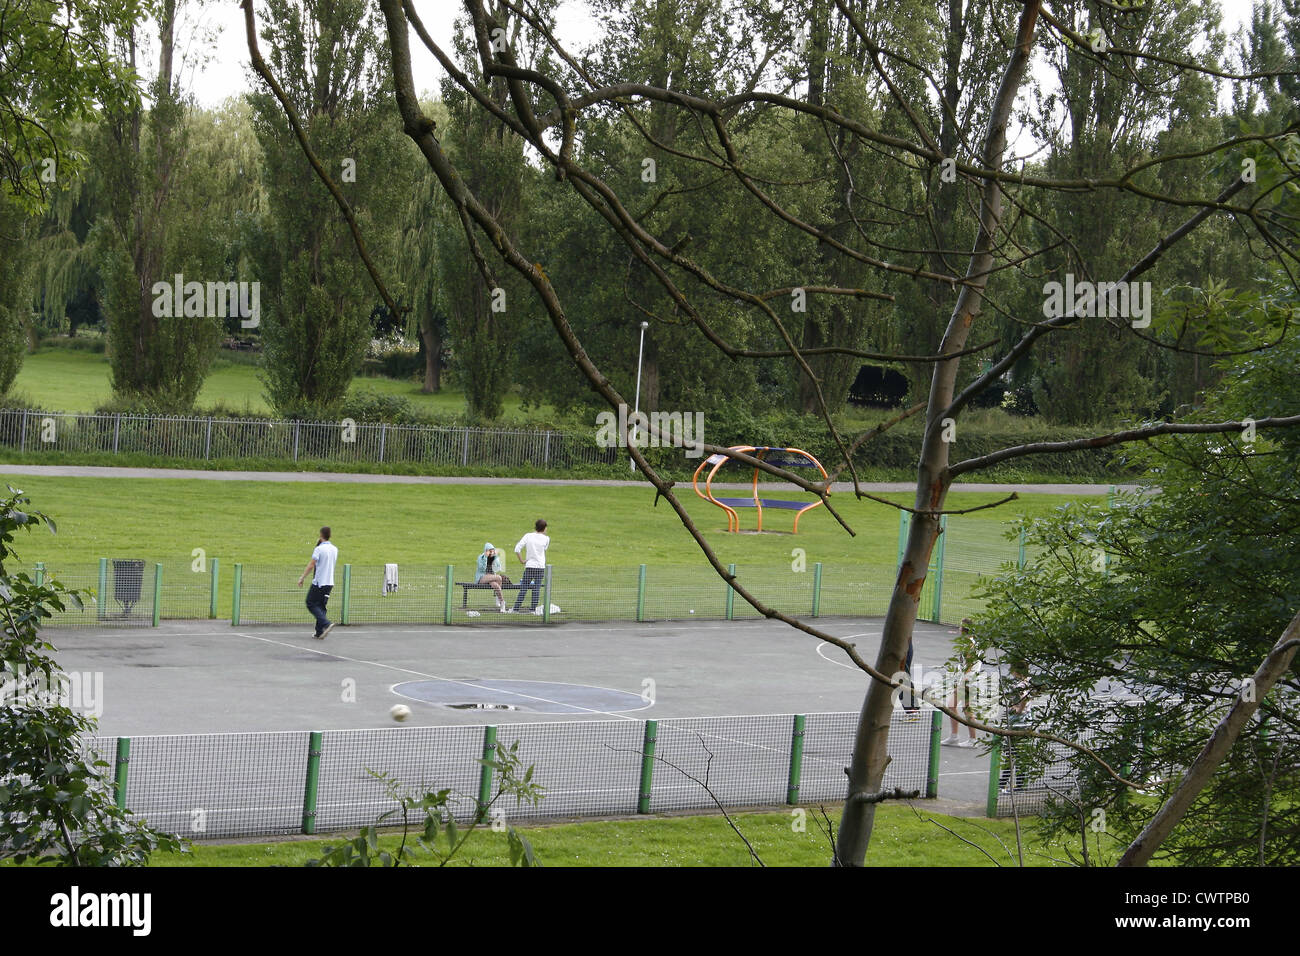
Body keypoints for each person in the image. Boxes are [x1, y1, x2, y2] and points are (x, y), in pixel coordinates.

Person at [941, 618, 983, 748]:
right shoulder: (970, 642)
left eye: (960, 627)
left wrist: (962, 681)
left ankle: (970, 739)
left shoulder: (969, 644)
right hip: (967, 679)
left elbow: (969, 665)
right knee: (958, 707)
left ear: (964, 629)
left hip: (967, 681)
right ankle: (958, 737)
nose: (958, 629)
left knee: (959, 707)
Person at [297, 526, 338, 640]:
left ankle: (325, 623)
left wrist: (302, 577)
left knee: (310, 603)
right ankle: (319, 632)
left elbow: (312, 564)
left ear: (321, 535)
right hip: (329, 582)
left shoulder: (319, 549)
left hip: (319, 582)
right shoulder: (335, 549)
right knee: (321, 606)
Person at [511, 518, 550, 613]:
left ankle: (516, 608)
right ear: (544, 528)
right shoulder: (546, 539)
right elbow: (544, 549)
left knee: (524, 587)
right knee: (536, 589)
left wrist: (522, 561)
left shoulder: (528, 536)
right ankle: (533, 609)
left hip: (530, 566)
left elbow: (517, 549)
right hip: (540, 567)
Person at [475, 542, 508, 611]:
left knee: (495, 585)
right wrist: (485, 558)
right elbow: (482, 569)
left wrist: (495, 559)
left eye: (492, 550)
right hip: (482, 578)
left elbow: (498, 569)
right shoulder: (481, 558)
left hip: (491, 577)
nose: (491, 552)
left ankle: (501, 601)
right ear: (486, 550)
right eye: (489, 550)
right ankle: (500, 601)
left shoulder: (495, 557)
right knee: (499, 577)